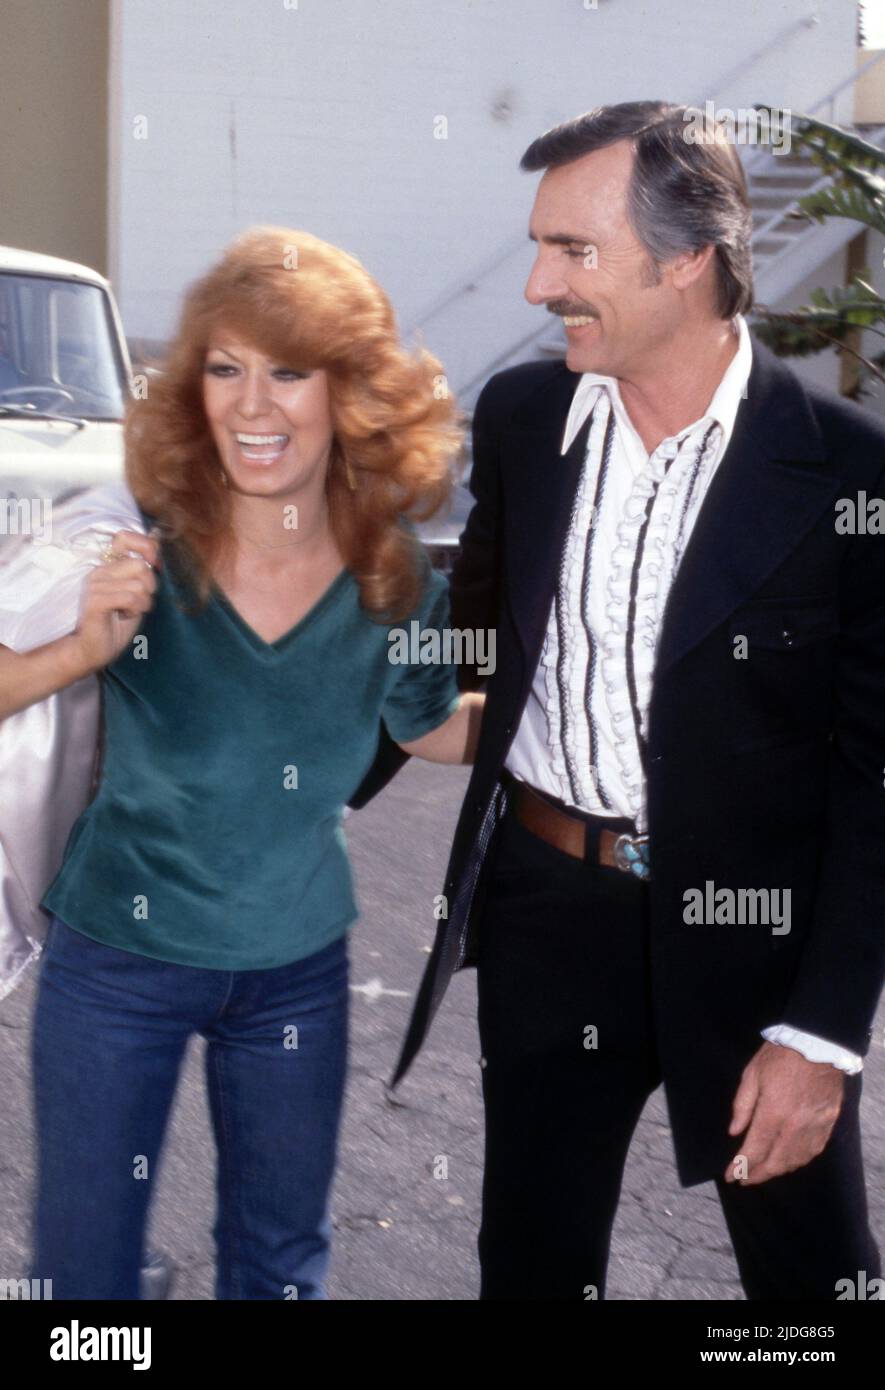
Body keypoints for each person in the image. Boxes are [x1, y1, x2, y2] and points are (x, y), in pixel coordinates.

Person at [389, 102, 885, 1299]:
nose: (533, 286)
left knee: (813, 1281)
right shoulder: (521, 420)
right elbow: (472, 636)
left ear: (686, 261)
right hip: (550, 915)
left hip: (755, 934)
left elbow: (873, 772)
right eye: (538, 245)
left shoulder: (848, 472)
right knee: (535, 1267)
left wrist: (821, 1033)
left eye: (573, 251)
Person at [0, 225, 481, 1300]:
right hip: (116, 964)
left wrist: (584, 722)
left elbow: (430, 723)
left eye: (289, 372)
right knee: (85, 1277)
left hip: (294, 970)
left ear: (351, 394)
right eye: (225, 368)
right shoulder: (129, 537)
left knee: (279, 1264)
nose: (251, 406)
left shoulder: (390, 570)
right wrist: (80, 648)